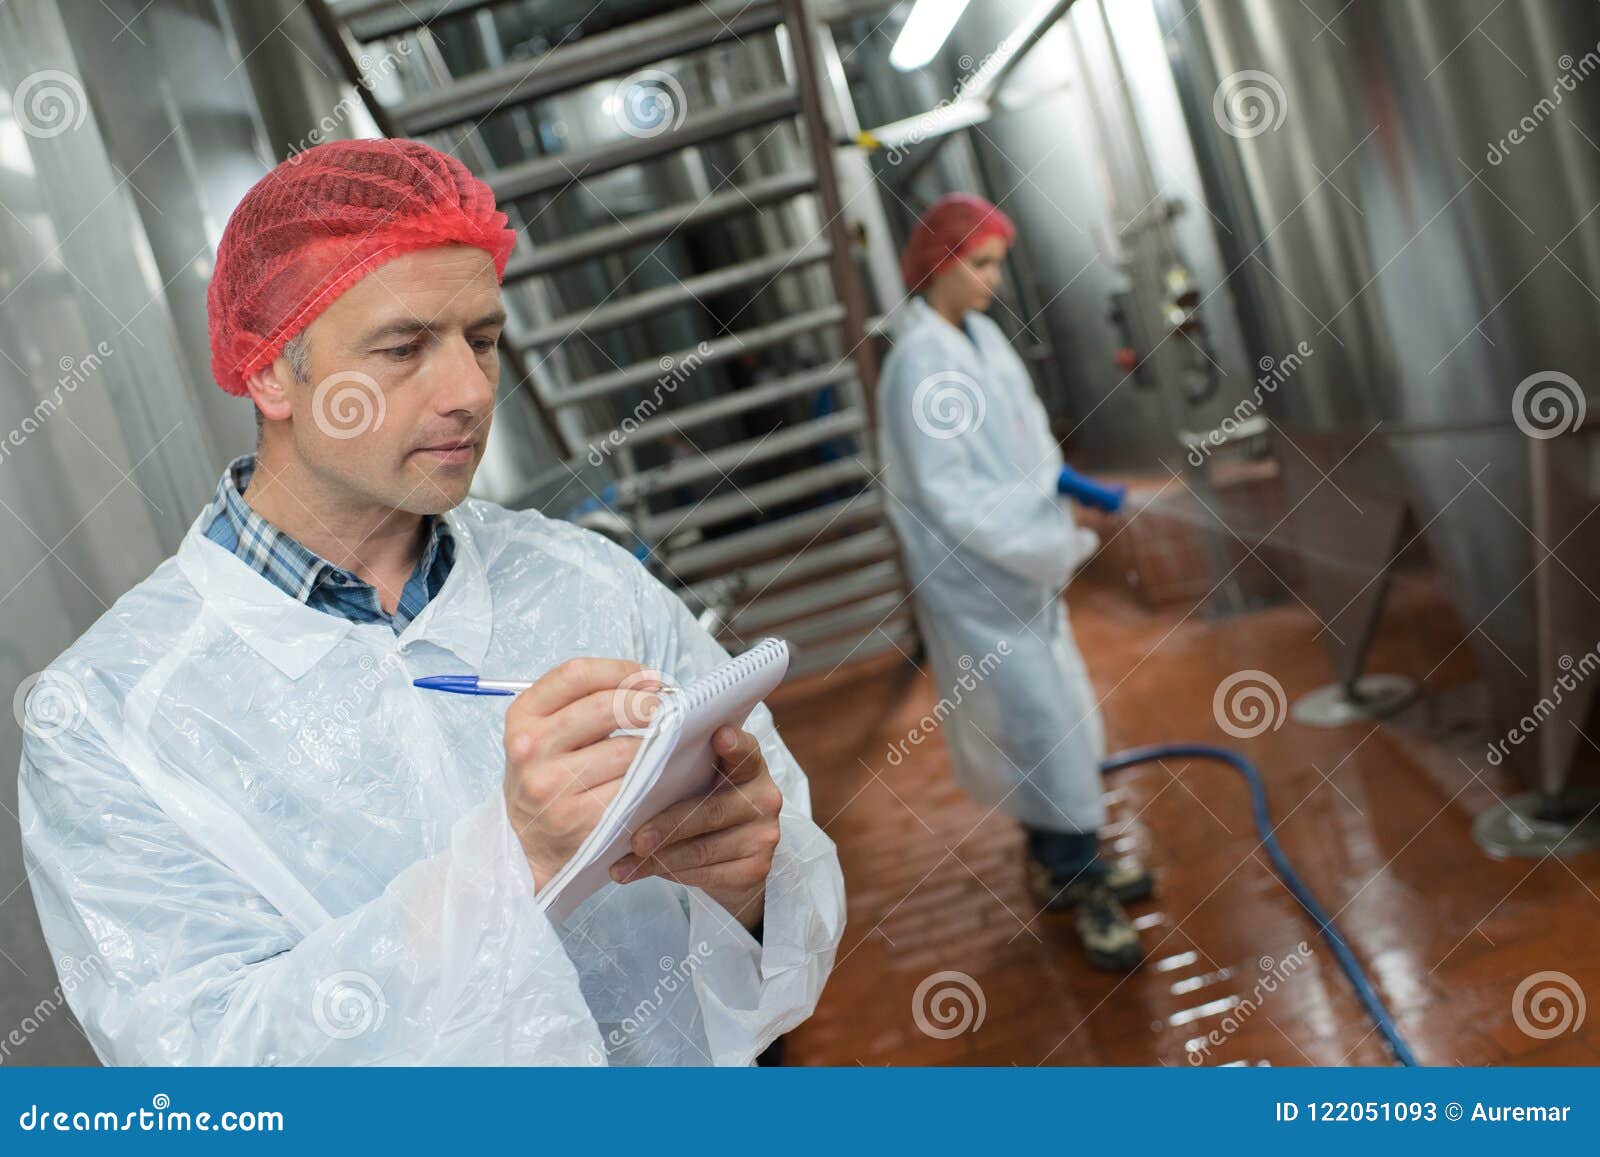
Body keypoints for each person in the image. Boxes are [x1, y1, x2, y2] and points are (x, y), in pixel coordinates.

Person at [16, 139, 844, 1065]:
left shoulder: (584, 580)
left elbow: (786, 884)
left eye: (481, 340)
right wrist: (511, 864)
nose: (470, 392)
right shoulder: (109, 719)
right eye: (404, 347)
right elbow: (209, 1066)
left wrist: (748, 886)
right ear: (269, 371)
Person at [874, 193, 1151, 971]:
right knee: (1038, 721)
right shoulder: (918, 362)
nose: (993, 280)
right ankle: (1076, 878)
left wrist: (1066, 485)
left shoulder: (983, 337)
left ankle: (1066, 860)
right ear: (938, 264)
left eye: (997, 263)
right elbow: (950, 495)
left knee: (1054, 716)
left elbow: (1023, 442)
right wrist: (1038, 538)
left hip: (1022, 572)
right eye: (980, 263)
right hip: (979, 581)